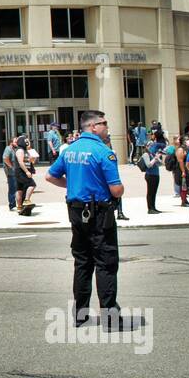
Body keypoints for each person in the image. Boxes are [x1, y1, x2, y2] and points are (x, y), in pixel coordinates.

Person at [46, 110, 125, 327]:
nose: (107, 127)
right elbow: (116, 190)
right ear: (93, 126)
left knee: (82, 263)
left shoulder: (70, 150)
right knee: (105, 263)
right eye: (104, 123)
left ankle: (80, 315)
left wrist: (71, 184)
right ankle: (110, 317)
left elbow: (50, 175)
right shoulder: (103, 152)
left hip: (76, 213)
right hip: (99, 214)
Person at [144, 129, 166, 214]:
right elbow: (148, 165)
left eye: (151, 145)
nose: (151, 146)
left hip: (156, 174)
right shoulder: (146, 154)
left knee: (154, 192)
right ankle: (150, 208)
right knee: (150, 192)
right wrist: (155, 158)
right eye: (149, 145)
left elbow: (159, 164)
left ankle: (154, 207)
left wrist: (158, 158)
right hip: (150, 175)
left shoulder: (153, 154)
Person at [2, 135, 23, 211]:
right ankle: (12, 204)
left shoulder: (14, 149)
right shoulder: (8, 149)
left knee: (17, 188)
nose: (16, 142)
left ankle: (17, 203)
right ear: (11, 142)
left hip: (16, 172)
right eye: (15, 141)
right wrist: (11, 166)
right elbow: (5, 158)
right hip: (11, 173)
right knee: (12, 189)